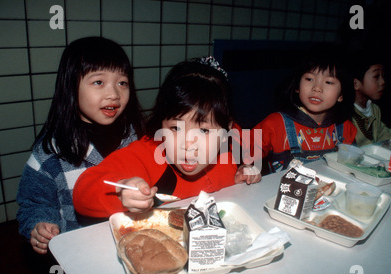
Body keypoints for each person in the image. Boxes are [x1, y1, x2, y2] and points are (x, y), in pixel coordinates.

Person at [73, 57, 261, 218]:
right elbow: (83, 193)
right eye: (175, 128)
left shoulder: (233, 145)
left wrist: (243, 175)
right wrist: (122, 189)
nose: (187, 145)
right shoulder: (148, 153)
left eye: (204, 131)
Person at [16, 37, 145, 254]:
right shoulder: (50, 152)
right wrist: (40, 225)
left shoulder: (136, 138)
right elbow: (33, 203)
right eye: (98, 82)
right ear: (70, 86)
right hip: (80, 253)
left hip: (135, 244)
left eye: (122, 82)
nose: (114, 93)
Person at [252, 44, 357, 173]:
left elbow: (352, 167)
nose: (317, 88)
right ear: (297, 86)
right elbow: (242, 151)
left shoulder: (345, 128)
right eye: (309, 79)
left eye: (328, 82)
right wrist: (246, 167)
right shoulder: (275, 124)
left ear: (341, 95)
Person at [350, 51, 391, 146]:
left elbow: (383, 133)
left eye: (383, 76)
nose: (382, 82)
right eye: (376, 77)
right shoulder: (346, 115)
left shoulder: (374, 110)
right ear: (355, 83)